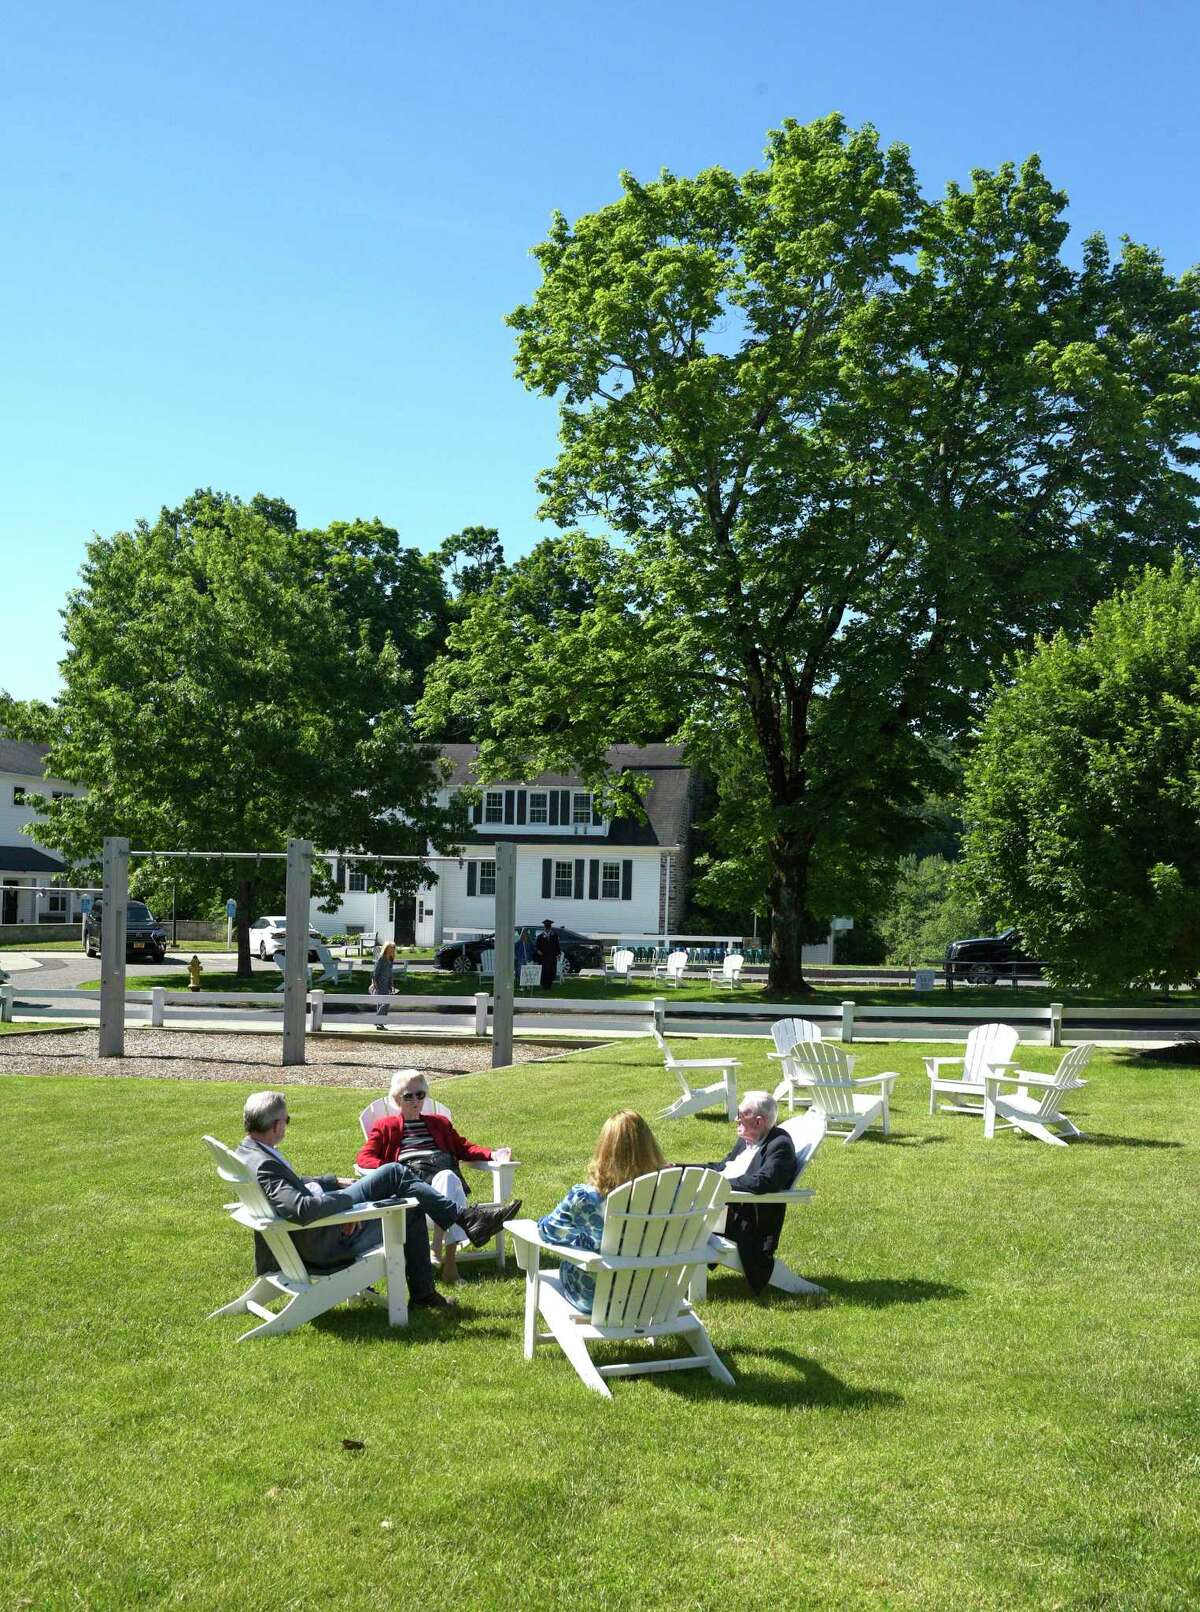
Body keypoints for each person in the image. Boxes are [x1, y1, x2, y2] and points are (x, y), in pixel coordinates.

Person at [235, 1090, 520, 1309]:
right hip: (323, 1242)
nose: (287, 1125)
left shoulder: (250, 1152)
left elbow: (293, 1188)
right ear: (274, 1125)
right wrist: (350, 1204)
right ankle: (463, 1226)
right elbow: (301, 1208)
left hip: (315, 1233)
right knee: (399, 1183)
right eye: (287, 1120)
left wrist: (333, 1182)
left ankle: (463, 1226)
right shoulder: (265, 1164)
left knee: (398, 1184)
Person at [357, 1070, 513, 1284]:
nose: (415, 1101)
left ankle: (442, 1254)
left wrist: (494, 1154)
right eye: (408, 1096)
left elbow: (463, 1148)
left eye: (420, 1095)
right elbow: (365, 1158)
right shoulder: (386, 1126)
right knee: (449, 1184)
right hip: (412, 1188)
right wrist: (393, 1171)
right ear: (396, 1099)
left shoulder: (439, 1123)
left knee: (448, 1178)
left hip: (440, 1179)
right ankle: (467, 1231)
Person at [537, 1110, 666, 1314]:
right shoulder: (669, 1193)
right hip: (650, 1294)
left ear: (605, 1149)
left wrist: (578, 1236)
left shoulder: (586, 1197)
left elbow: (549, 1231)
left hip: (594, 1296)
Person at [695, 1090, 797, 1296]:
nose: (736, 1119)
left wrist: (719, 1185)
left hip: (746, 1223)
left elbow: (764, 1181)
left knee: (679, 1213)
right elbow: (722, 1167)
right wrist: (680, 1168)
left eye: (741, 1115)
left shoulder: (780, 1146)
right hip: (726, 1207)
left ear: (759, 1121)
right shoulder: (746, 1140)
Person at [370, 940, 398, 1029]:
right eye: (391, 948)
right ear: (386, 949)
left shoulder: (390, 959)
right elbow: (375, 973)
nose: (392, 950)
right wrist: (374, 984)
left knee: (382, 1003)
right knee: (385, 1003)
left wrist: (392, 985)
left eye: (394, 948)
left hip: (387, 985)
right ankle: (377, 1021)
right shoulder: (381, 959)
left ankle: (379, 1023)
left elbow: (390, 974)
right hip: (379, 984)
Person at [534, 918, 561, 989]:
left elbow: (557, 945)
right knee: (544, 971)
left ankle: (549, 985)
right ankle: (543, 985)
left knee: (551, 971)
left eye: (548, 927)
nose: (547, 929)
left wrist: (558, 953)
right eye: (546, 927)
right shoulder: (540, 937)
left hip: (552, 956)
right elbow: (536, 947)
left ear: (550, 928)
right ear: (544, 928)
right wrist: (538, 951)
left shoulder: (554, 936)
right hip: (543, 957)